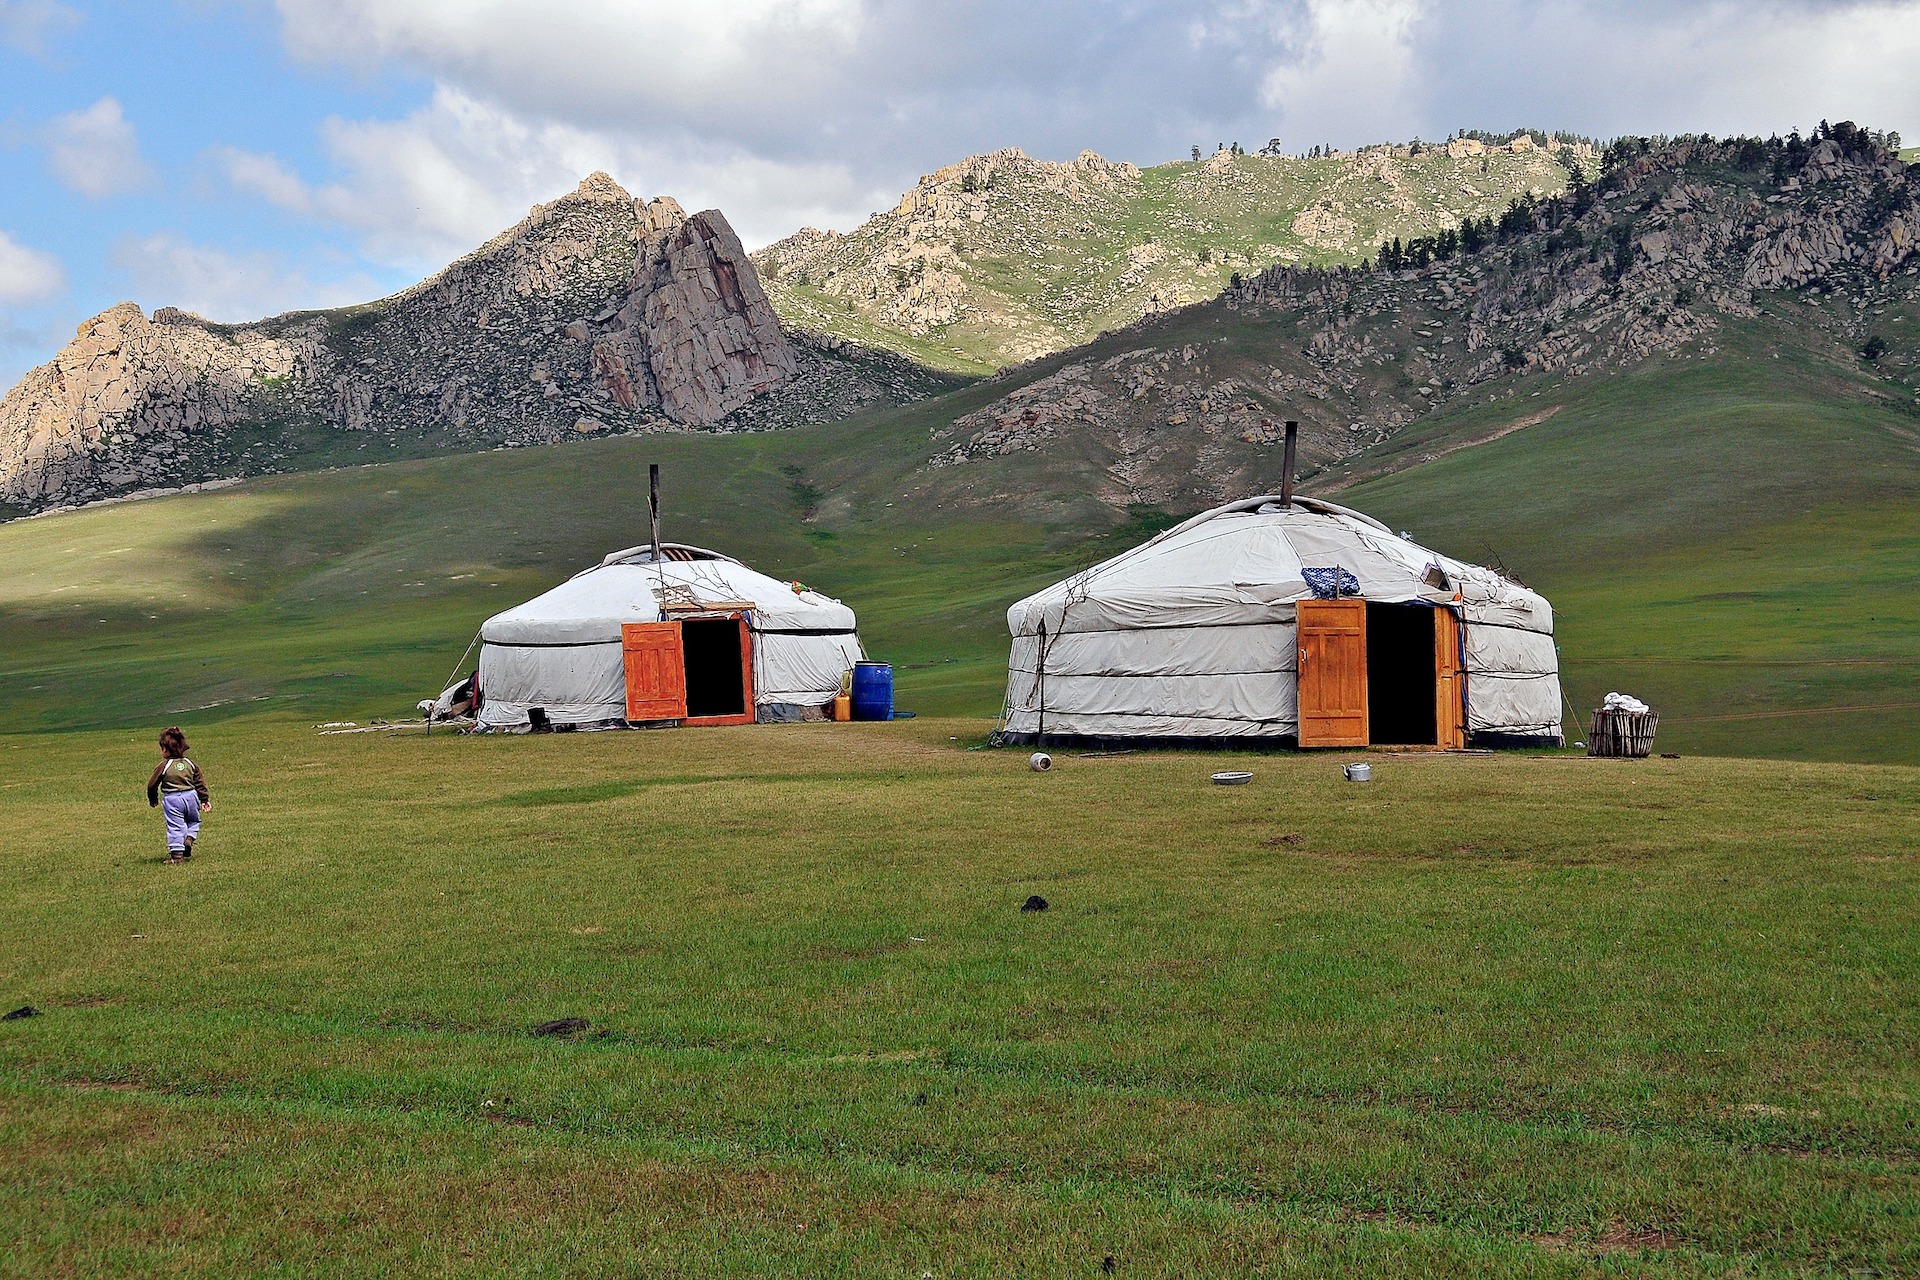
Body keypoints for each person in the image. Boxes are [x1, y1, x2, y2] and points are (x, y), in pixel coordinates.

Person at [146, 727, 210, 865]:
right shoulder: (190, 763)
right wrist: (204, 799)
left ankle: (177, 856)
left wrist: (153, 798)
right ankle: (189, 839)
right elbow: (199, 782)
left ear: (165, 749)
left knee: (175, 826)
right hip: (191, 797)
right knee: (194, 821)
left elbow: (152, 784)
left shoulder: (165, 765)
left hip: (173, 799)